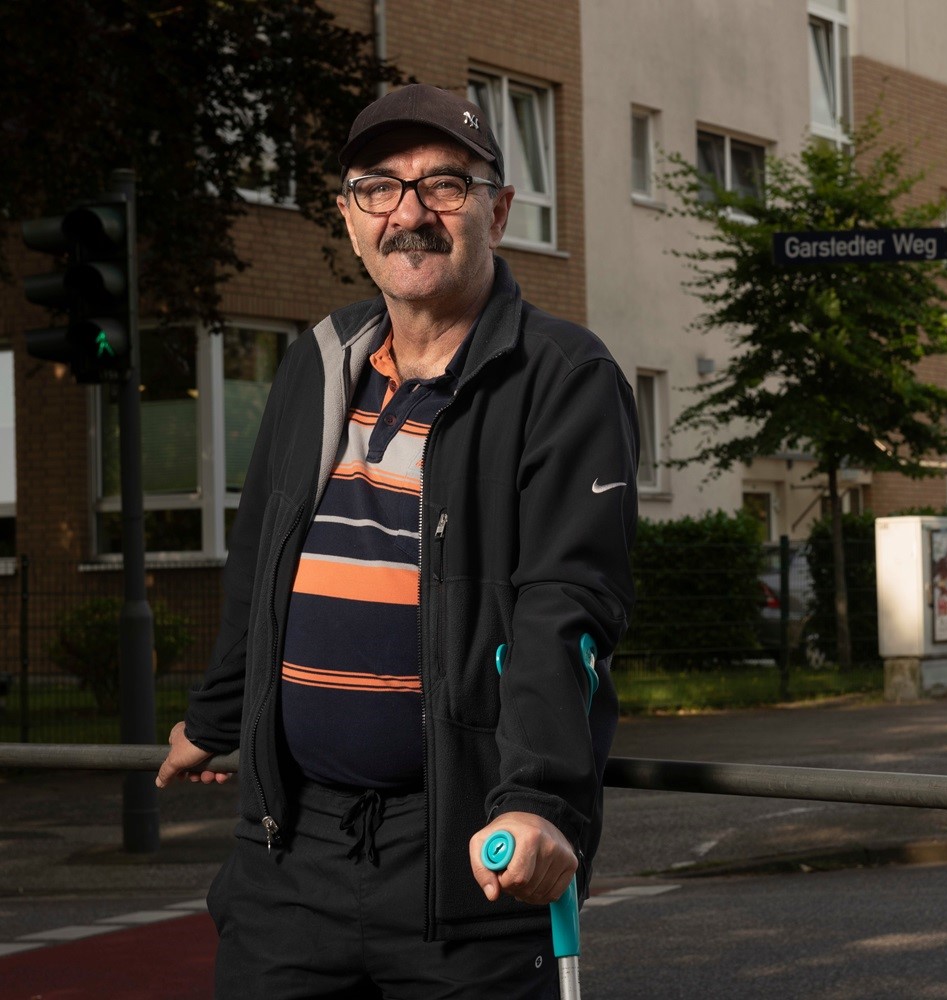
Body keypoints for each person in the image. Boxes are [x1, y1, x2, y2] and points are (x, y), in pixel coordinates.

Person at [157, 83, 638, 999]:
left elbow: (565, 609)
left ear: (497, 209)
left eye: (443, 186)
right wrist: (214, 720)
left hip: (464, 855)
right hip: (287, 856)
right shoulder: (319, 359)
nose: (408, 214)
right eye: (378, 187)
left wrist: (539, 802)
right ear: (349, 216)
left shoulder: (564, 378)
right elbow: (260, 561)